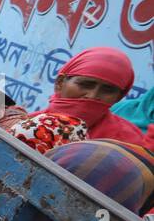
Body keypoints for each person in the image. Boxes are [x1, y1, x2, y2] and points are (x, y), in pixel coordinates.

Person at [18, 47, 154, 150]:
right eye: (85, 84)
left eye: (108, 90)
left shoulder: (129, 144)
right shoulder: (25, 124)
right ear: (60, 83)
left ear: (119, 97)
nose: (92, 96)